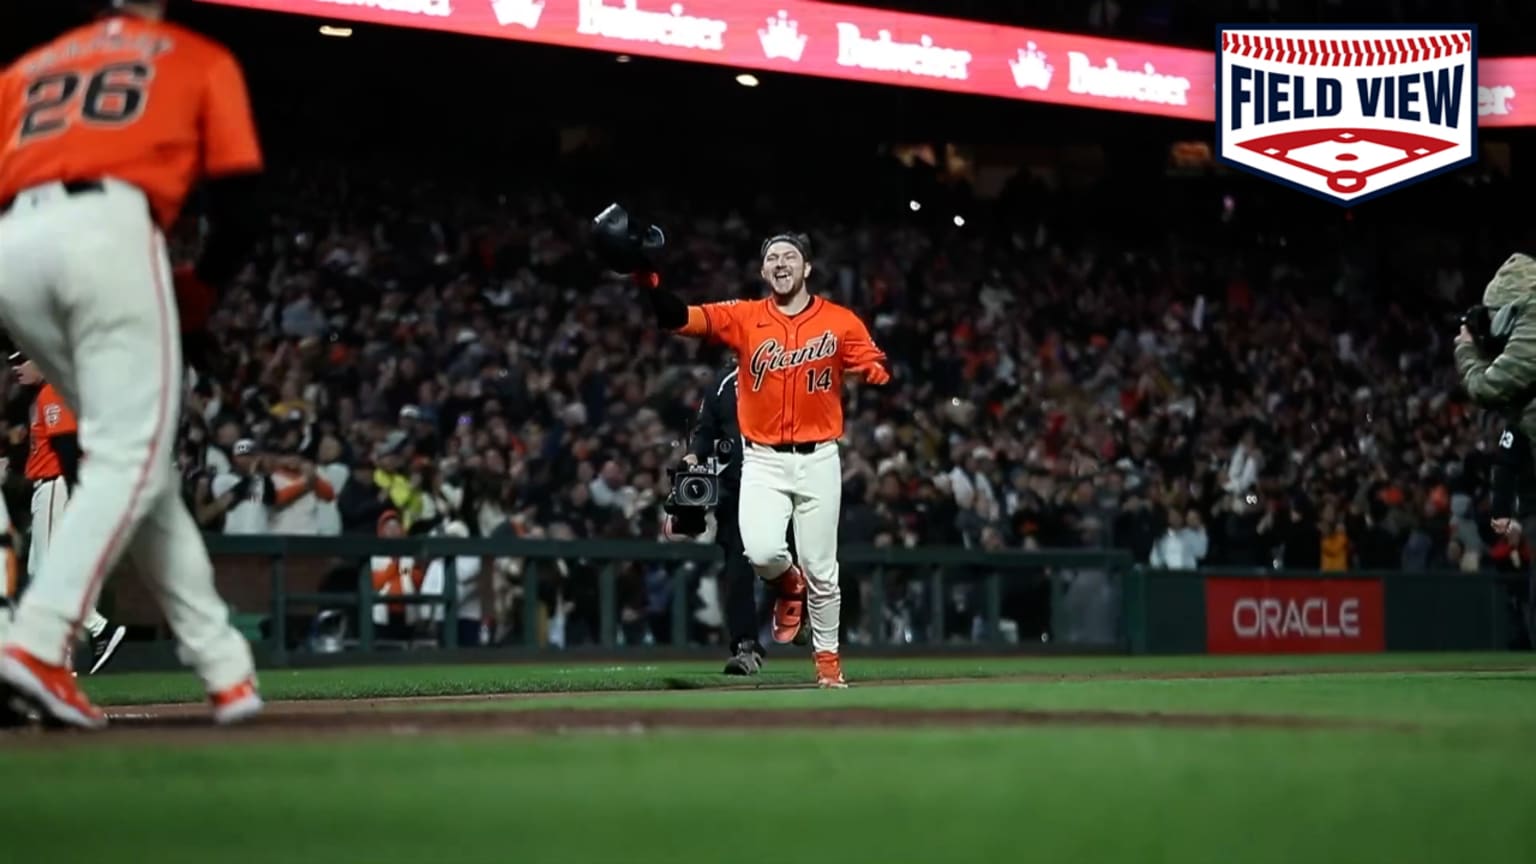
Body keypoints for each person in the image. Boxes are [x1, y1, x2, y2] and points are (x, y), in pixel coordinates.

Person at [0, 0, 266, 729]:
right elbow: (241, 209)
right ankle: (37, 643)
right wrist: (203, 294)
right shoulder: (194, 55)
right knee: (134, 455)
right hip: (109, 228)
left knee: (133, 458)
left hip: (12, 244)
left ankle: (226, 672)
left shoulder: (32, 66)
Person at [597, 206, 890, 687]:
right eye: (772, 256)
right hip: (762, 458)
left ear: (807, 268)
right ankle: (786, 584)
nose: (780, 263)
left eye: (789, 256)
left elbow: (868, 353)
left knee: (823, 569)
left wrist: (872, 367)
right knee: (760, 552)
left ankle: (828, 666)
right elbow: (677, 319)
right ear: (762, 270)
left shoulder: (839, 321)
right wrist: (648, 278)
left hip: (818, 456)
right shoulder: (746, 317)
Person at [9, 352, 128, 675]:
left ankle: (99, 628)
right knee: (38, 572)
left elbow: (67, 448)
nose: (16, 367)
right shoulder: (45, 395)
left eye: (23, 361)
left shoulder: (53, 392)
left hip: (55, 488)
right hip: (49, 488)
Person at [684, 360, 803, 675]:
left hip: (781, 486)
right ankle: (746, 646)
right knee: (737, 569)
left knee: (782, 561)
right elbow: (704, 430)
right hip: (736, 490)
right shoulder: (724, 382)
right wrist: (693, 459)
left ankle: (797, 607)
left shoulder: (786, 374)